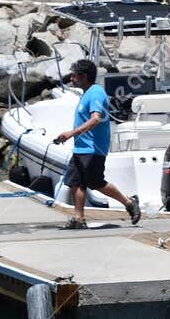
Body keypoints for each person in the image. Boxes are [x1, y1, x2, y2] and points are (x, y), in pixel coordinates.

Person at [55, 59, 142, 228]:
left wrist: (70, 133)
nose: (71, 79)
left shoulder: (95, 93)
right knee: (75, 182)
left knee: (95, 182)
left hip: (93, 148)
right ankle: (78, 219)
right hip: (81, 147)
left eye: (74, 76)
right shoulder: (86, 93)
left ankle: (129, 203)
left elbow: (96, 119)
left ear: (84, 76)